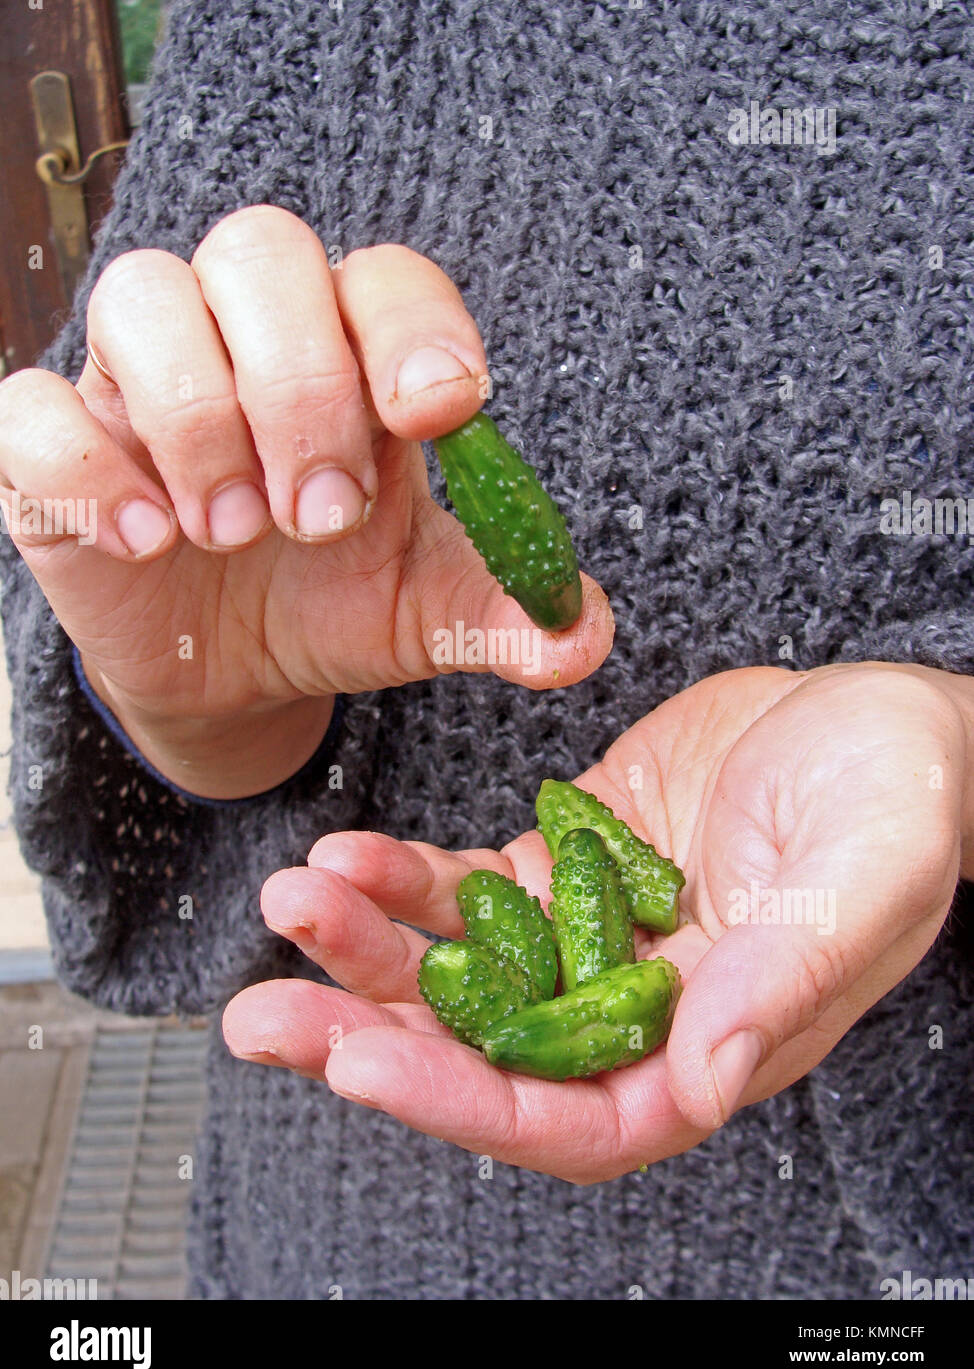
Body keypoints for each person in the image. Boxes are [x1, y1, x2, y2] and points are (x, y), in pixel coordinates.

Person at [1, 0, 971, 1299]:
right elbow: (88, 552)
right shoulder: (297, 31)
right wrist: (192, 699)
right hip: (328, 1227)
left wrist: (948, 743)